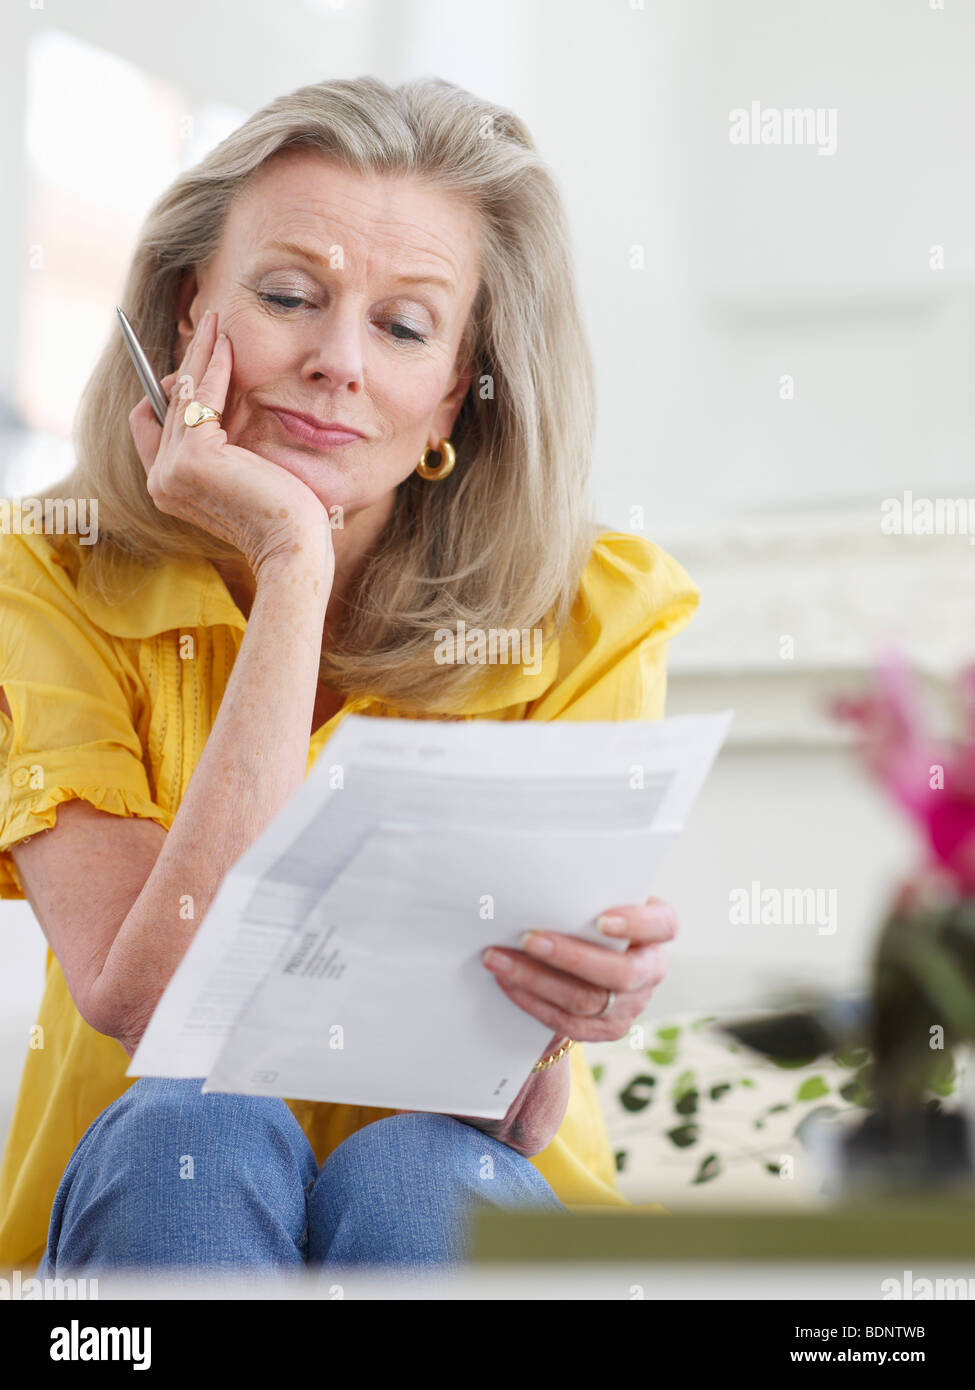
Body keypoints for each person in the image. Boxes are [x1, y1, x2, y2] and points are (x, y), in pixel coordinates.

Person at [0, 75, 699, 1276]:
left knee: (429, 1167)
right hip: (159, 1190)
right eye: (287, 297)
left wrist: (559, 1027)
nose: (337, 361)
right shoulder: (41, 578)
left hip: (462, 1185)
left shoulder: (595, 612)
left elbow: (513, 1111)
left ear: (458, 385)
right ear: (184, 315)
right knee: (193, 1129)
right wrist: (290, 561)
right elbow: (157, 1002)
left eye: (405, 326)